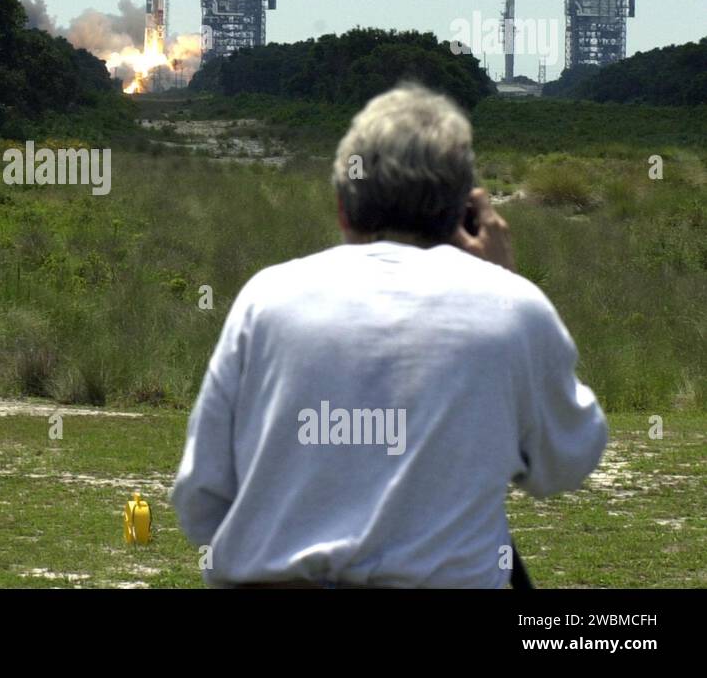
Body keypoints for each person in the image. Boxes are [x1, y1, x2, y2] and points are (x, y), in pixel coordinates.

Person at [170, 83, 607, 588]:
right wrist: (505, 281)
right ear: (463, 212)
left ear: (342, 207)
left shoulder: (264, 299)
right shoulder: (513, 309)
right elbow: (564, 463)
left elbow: (200, 496)